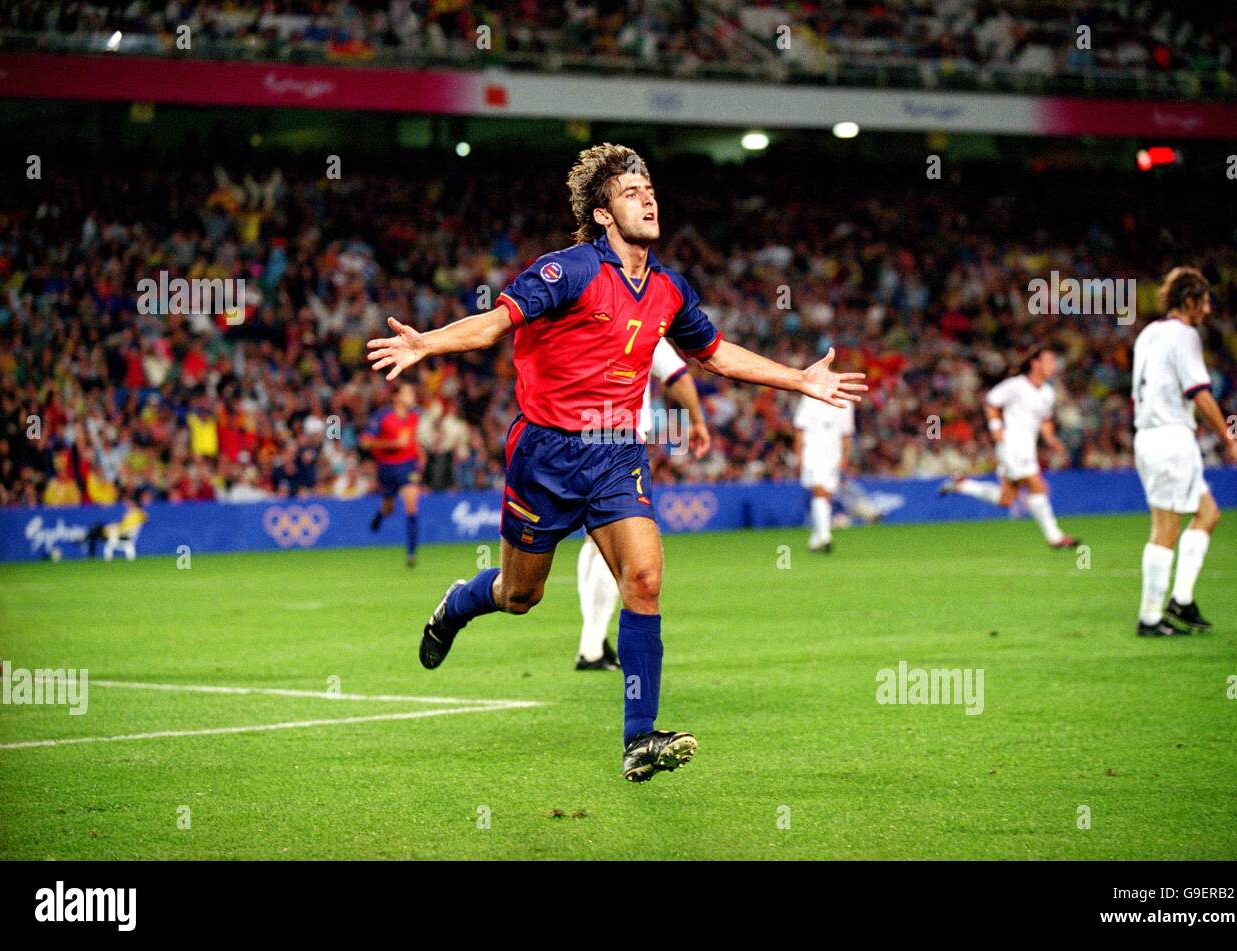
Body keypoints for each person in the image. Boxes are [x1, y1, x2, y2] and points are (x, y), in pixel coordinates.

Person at [366, 143, 866, 782]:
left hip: (614, 451)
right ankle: (457, 604)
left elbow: (712, 354)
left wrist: (800, 379)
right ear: (603, 214)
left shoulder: (666, 289)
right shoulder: (568, 272)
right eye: (631, 193)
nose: (648, 198)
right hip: (543, 454)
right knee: (521, 595)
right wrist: (426, 342)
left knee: (646, 579)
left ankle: (639, 738)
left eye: (650, 188)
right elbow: (495, 324)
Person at [575, 337, 709, 670]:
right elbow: (676, 374)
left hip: (577, 432)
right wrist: (696, 420)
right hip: (620, 439)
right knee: (618, 542)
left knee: (594, 541)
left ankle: (591, 640)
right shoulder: (645, 321)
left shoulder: (588, 319)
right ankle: (590, 647)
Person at [1131, 267, 1237, 636]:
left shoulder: (1149, 333)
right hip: (1170, 438)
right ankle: (1150, 619)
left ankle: (1181, 599)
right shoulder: (1184, 336)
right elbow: (1199, 392)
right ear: (1189, 301)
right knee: (1165, 528)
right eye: (1204, 302)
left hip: (1152, 434)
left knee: (1208, 513)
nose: (1209, 310)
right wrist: (1231, 440)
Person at [940, 346, 1079, 549]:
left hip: (1027, 447)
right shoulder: (1016, 385)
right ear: (1035, 363)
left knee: (1007, 499)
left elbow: (1045, 419)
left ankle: (962, 485)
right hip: (1011, 444)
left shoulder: (1048, 392)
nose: (1053, 365)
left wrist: (1050, 438)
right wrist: (996, 427)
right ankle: (1055, 537)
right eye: (1049, 360)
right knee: (1036, 484)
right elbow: (991, 402)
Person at [360, 382, 424, 567]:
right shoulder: (382, 416)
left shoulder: (414, 416)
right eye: (408, 392)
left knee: (412, 506)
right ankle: (380, 514)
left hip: (408, 466)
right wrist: (392, 443)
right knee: (389, 507)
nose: (412, 396)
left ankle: (411, 553)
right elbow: (365, 442)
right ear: (396, 397)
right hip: (387, 468)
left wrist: (419, 452)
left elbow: (412, 439)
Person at [794, 392, 854, 553]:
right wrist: (799, 456)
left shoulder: (846, 403)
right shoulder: (810, 399)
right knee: (819, 491)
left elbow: (846, 435)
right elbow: (799, 429)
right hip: (812, 454)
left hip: (833, 456)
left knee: (825, 496)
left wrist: (844, 457)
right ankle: (826, 537)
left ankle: (816, 538)